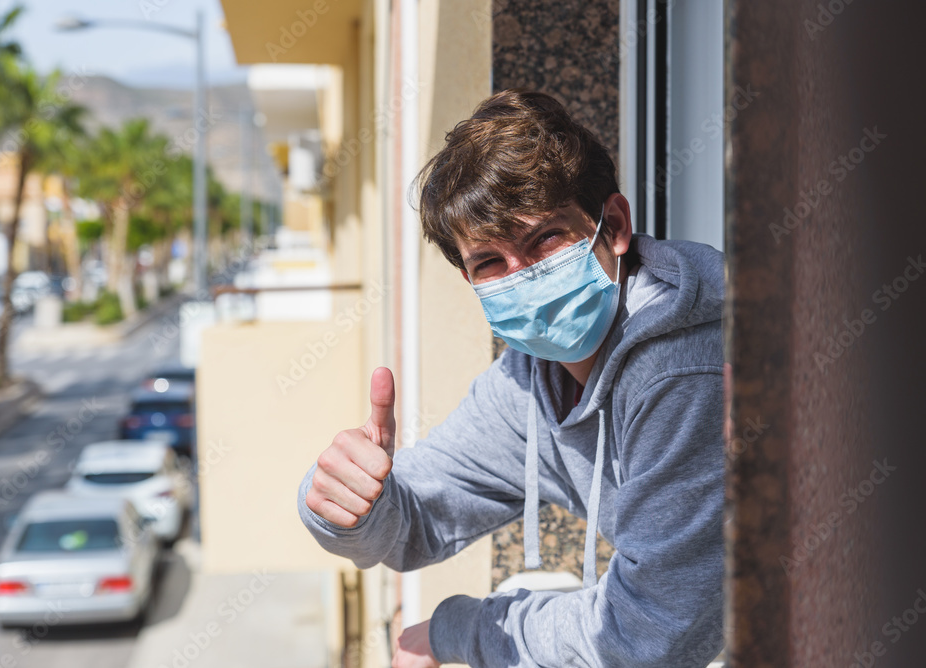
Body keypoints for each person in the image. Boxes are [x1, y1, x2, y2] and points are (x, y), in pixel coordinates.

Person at [297, 89, 726, 667]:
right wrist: (343, 505)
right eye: (490, 264)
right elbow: (416, 519)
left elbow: (652, 636)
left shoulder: (684, 367)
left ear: (614, 226)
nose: (522, 278)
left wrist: (460, 632)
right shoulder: (532, 378)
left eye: (545, 240)